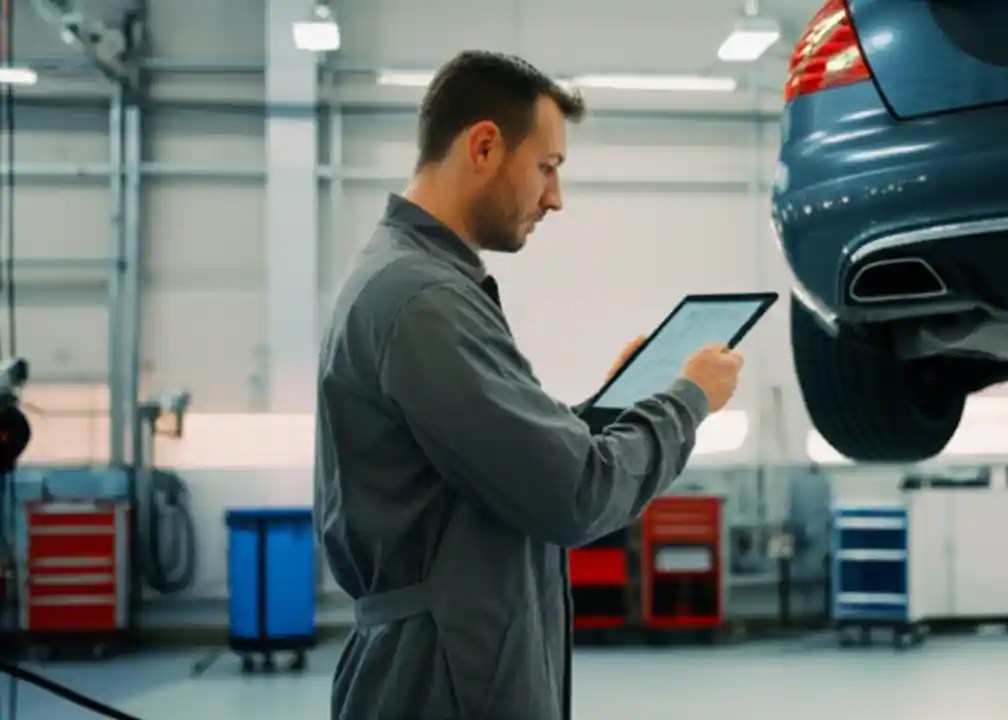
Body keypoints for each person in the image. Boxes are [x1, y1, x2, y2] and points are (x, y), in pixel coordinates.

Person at [313, 50, 745, 719]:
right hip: (445, 678)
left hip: (448, 660)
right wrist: (688, 402)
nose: (556, 197)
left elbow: (495, 460)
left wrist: (608, 413)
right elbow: (574, 494)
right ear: (485, 146)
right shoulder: (423, 299)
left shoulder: (414, 281)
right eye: (547, 167)